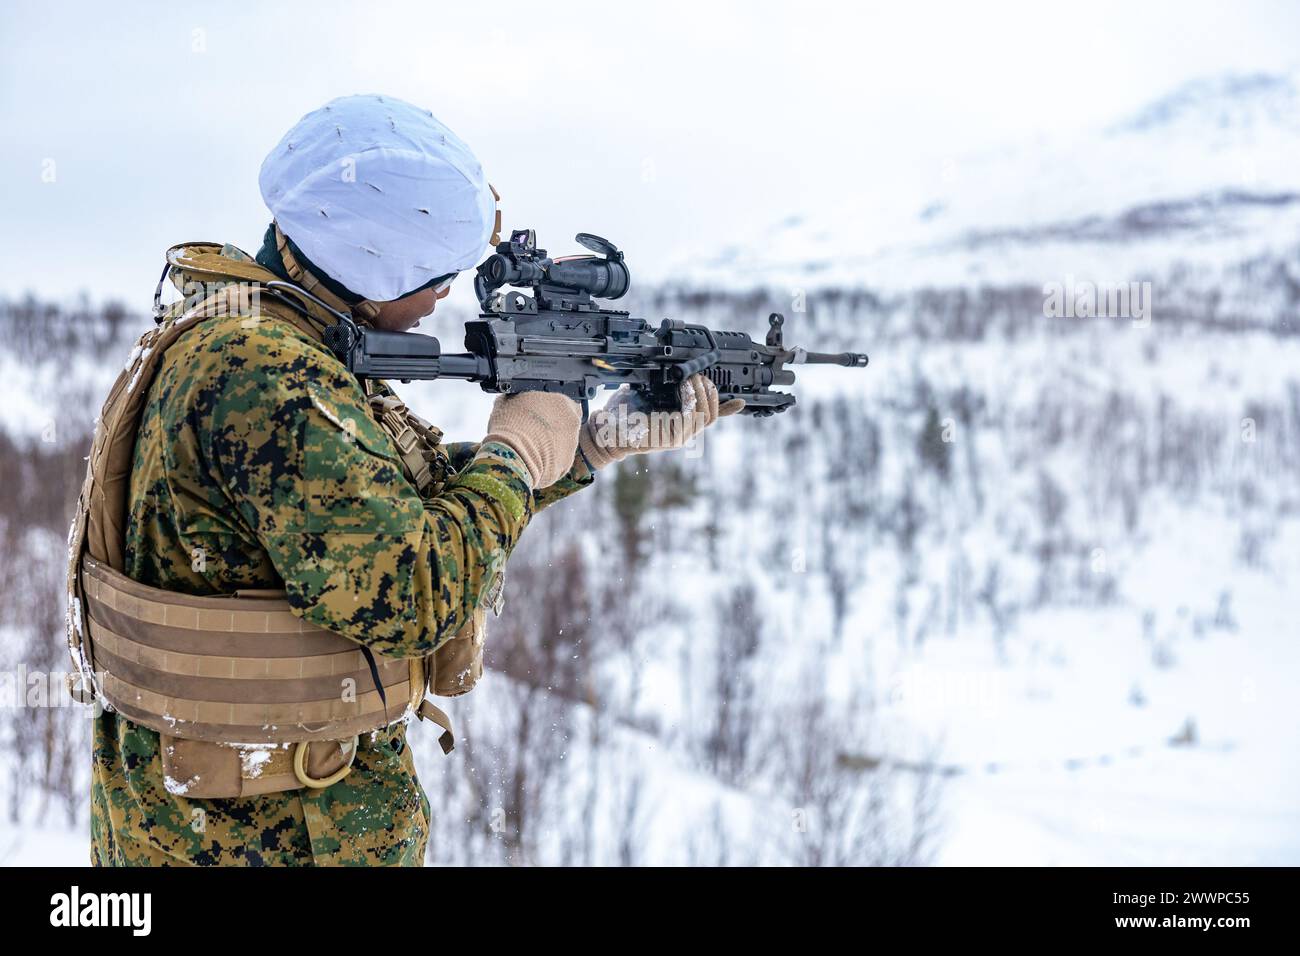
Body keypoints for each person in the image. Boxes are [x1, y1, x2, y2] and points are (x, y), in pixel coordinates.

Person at [75, 94, 736, 866]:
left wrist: (587, 446)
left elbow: (368, 507)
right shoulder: (268, 377)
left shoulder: (258, 334)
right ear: (370, 262)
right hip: (263, 835)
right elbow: (413, 590)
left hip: (223, 820)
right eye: (434, 276)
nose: (446, 296)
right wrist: (516, 456)